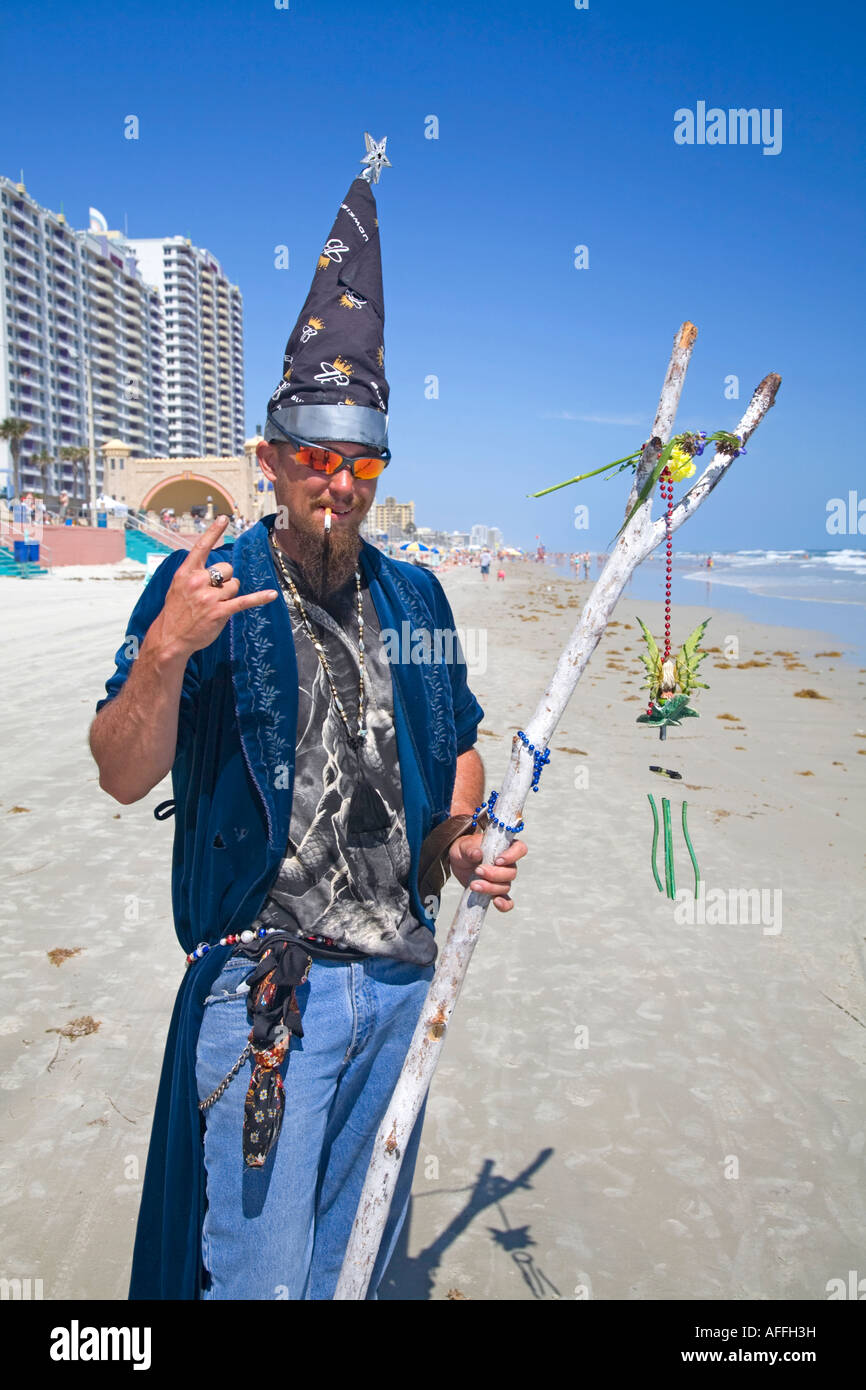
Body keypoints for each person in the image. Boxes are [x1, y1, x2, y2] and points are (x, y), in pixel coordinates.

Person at [89, 138, 527, 1302]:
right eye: (317, 457)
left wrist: (460, 841)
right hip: (265, 994)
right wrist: (166, 659)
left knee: (363, 1269)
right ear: (273, 459)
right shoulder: (205, 590)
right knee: (260, 1282)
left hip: (400, 986)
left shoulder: (417, 596)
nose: (340, 483)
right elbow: (119, 773)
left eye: (363, 463)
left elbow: (463, 745)